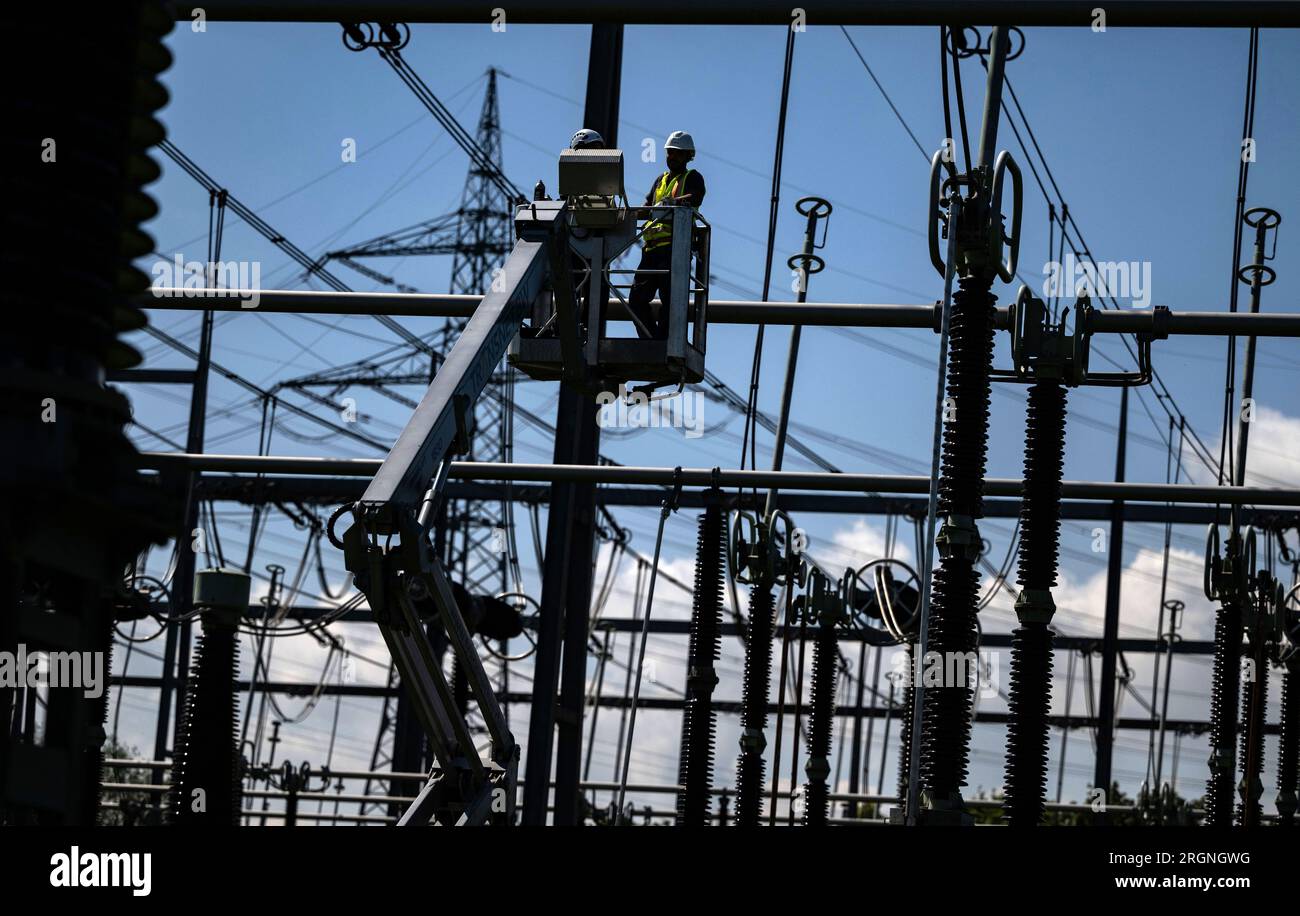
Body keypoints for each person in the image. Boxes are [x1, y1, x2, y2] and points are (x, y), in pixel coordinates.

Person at [626, 131, 706, 339]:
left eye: (678, 154)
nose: (673, 157)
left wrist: (672, 204)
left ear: (689, 156)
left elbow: (695, 196)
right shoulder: (660, 180)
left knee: (671, 301)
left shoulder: (693, 178)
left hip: (674, 250)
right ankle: (651, 340)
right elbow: (647, 208)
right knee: (636, 300)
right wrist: (625, 214)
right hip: (651, 251)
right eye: (670, 153)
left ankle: (663, 343)